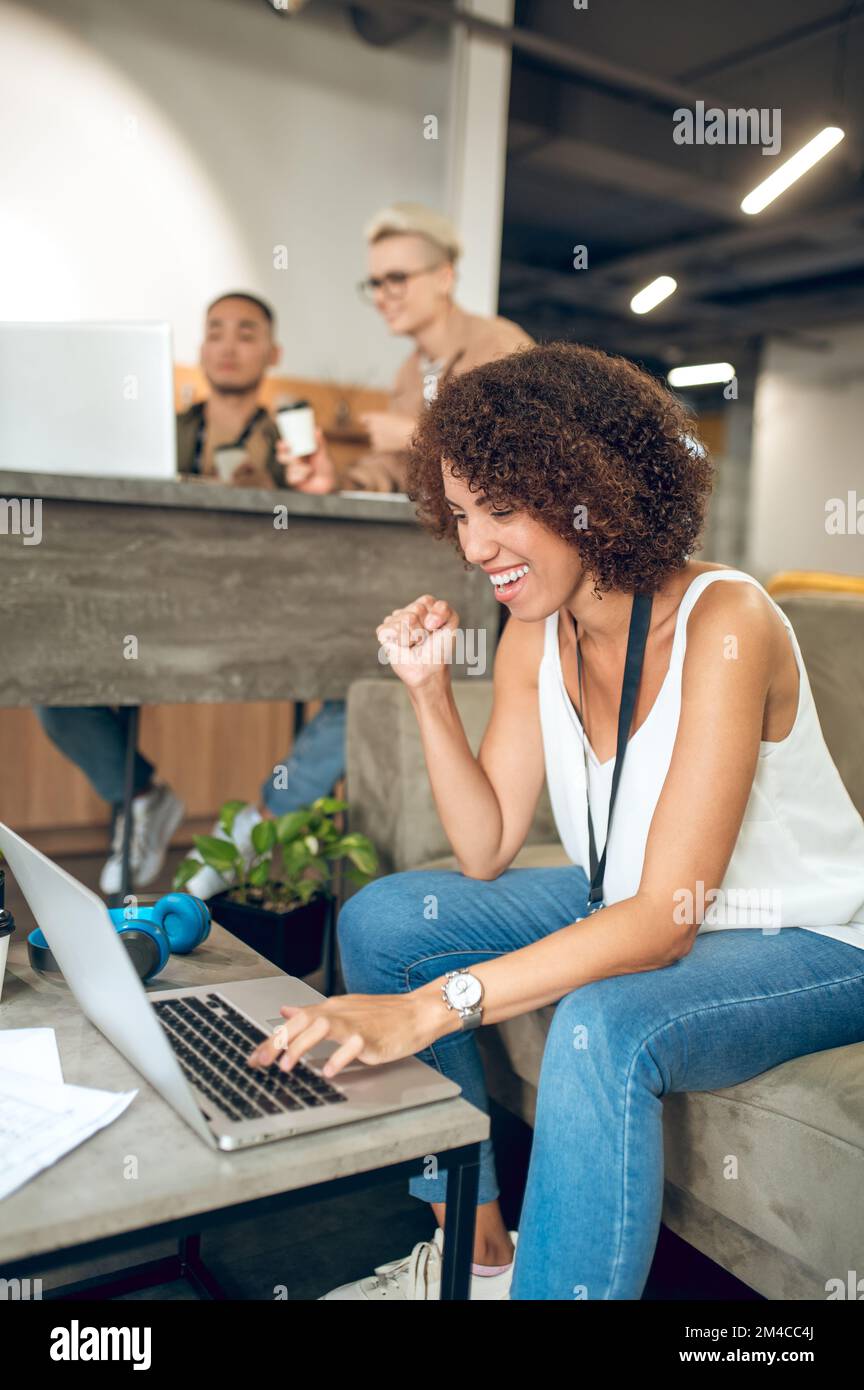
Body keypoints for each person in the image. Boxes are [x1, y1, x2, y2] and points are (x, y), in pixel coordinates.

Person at [247, 342, 864, 1301]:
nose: (475, 546)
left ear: (595, 489)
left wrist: (432, 1007)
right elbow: (486, 846)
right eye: (459, 514)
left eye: (502, 509)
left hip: (809, 938)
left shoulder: (727, 621)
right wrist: (428, 693)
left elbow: (665, 920)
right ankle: (479, 1257)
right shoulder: (538, 622)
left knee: (599, 1024)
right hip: (618, 894)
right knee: (385, 920)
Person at [231, 205, 533, 873]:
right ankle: (267, 828)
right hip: (426, 574)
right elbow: (399, 474)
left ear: (446, 274)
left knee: (363, 681)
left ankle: (261, 829)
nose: (383, 296)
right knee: (357, 676)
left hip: (489, 587)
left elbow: (517, 467)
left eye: (397, 277)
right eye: (374, 283)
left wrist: (418, 433)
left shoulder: (500, 347)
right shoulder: (411, 370)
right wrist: (331, 477)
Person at [35, 292, 286, 894]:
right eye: (216, 332)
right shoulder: (155, 430)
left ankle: (257, 822)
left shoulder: (292, 446)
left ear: (272, 352)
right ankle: (142, 796)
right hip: (147, 604)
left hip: (253, 613)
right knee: (51, 682)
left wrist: (273, 491)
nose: (228, 346)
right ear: (199, 348)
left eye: (246, 333)